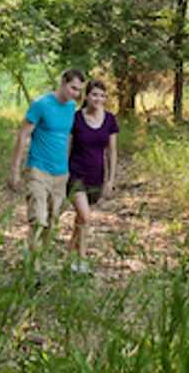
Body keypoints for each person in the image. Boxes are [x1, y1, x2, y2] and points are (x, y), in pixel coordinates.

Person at [8, 67, 86, 251]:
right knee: (38, 220)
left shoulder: (71, 107)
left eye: (79, 91)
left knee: (52, 223)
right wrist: (15, 170)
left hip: (60, 173)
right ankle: (32, 270)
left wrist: (67, 165)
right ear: (63, 82)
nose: (76, 94)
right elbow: (22, 135)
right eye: (73, 88)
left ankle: (40, 260)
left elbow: (67, 136)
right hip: (38, 169)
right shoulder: (41, 104)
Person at [66, 78, 119, 269]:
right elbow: (67, 147)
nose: (98, 99)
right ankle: (81, 261)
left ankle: (68, 256)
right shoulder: (75, 118)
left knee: (81, 219)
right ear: (86, 96)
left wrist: (110, 180)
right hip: (75, 174)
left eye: (102, 96)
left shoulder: (110, 120)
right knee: (86, 217)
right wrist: (63, 173)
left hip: (97, 176)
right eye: (94, 95)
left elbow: (112, 152)